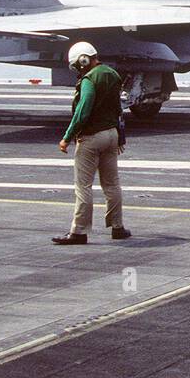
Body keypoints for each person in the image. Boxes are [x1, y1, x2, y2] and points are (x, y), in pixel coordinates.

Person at [52, 41, 131, 245]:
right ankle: (118, 227)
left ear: (83, 60)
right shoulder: (113, 74)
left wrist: (67, 137)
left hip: (92, 138)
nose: (78, 70)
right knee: (112, 184)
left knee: (83, 186)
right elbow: (118, 109)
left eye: (77, 66)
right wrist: (120, 137)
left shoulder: (89, 79)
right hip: (112, 135)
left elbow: (82, 112)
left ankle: (79, 231)